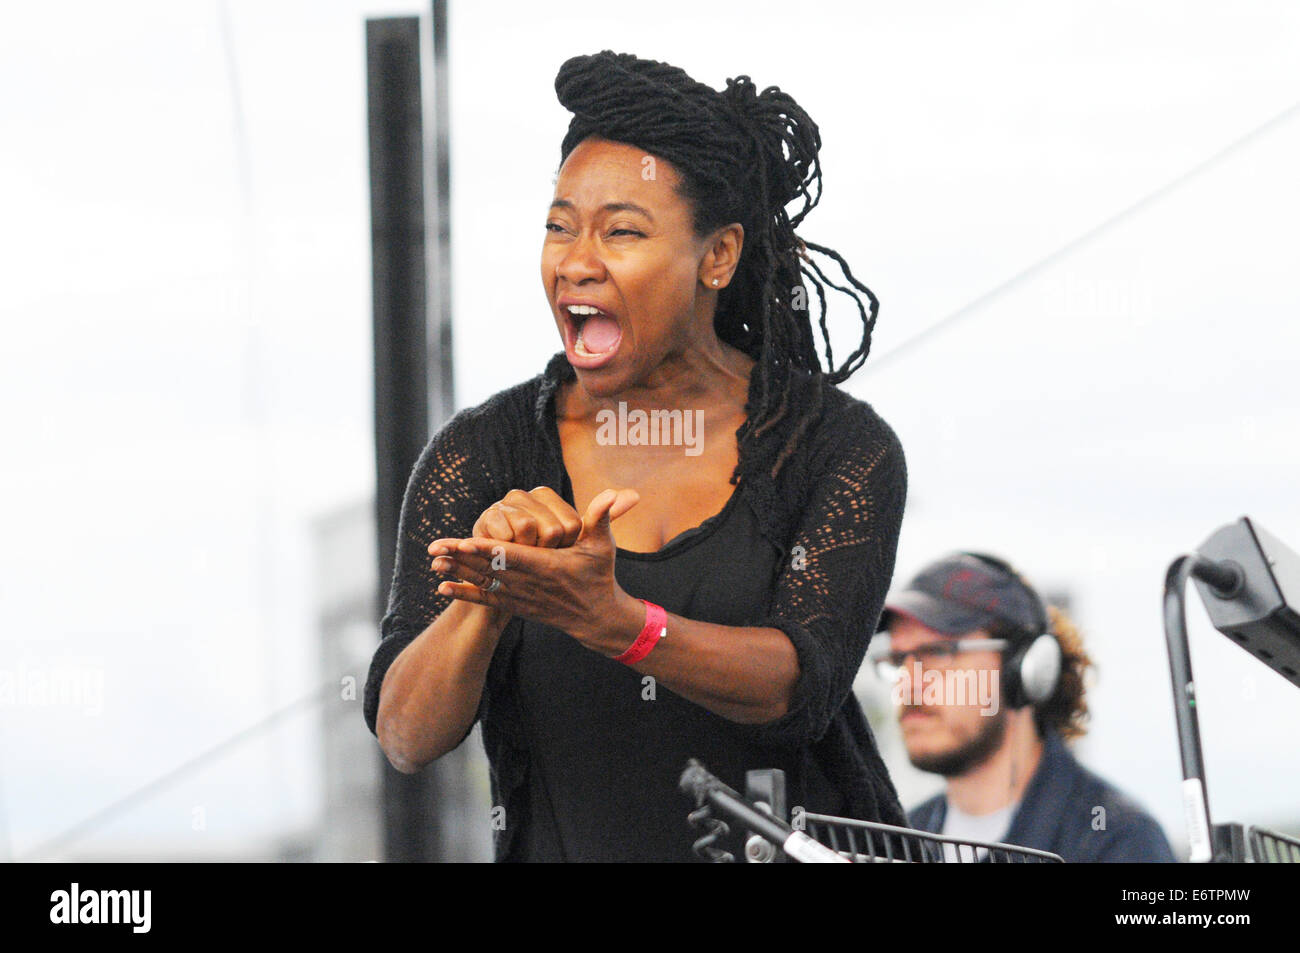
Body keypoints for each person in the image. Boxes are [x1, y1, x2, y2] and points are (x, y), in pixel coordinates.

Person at [363, 51, 909, 861]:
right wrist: (492, 590)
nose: (576, 261)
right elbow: (406, 733)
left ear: (717, 258)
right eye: (558, 226)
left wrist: (619, 623)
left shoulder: (833, 446)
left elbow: (797, 686)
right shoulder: (482, 452)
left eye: (622, 231)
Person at [872, 551, 1176, 862]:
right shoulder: (896, 843)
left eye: (935, 653)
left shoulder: (1115, 840)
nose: (908, 683)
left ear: (1024, 670)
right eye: (898, 660)